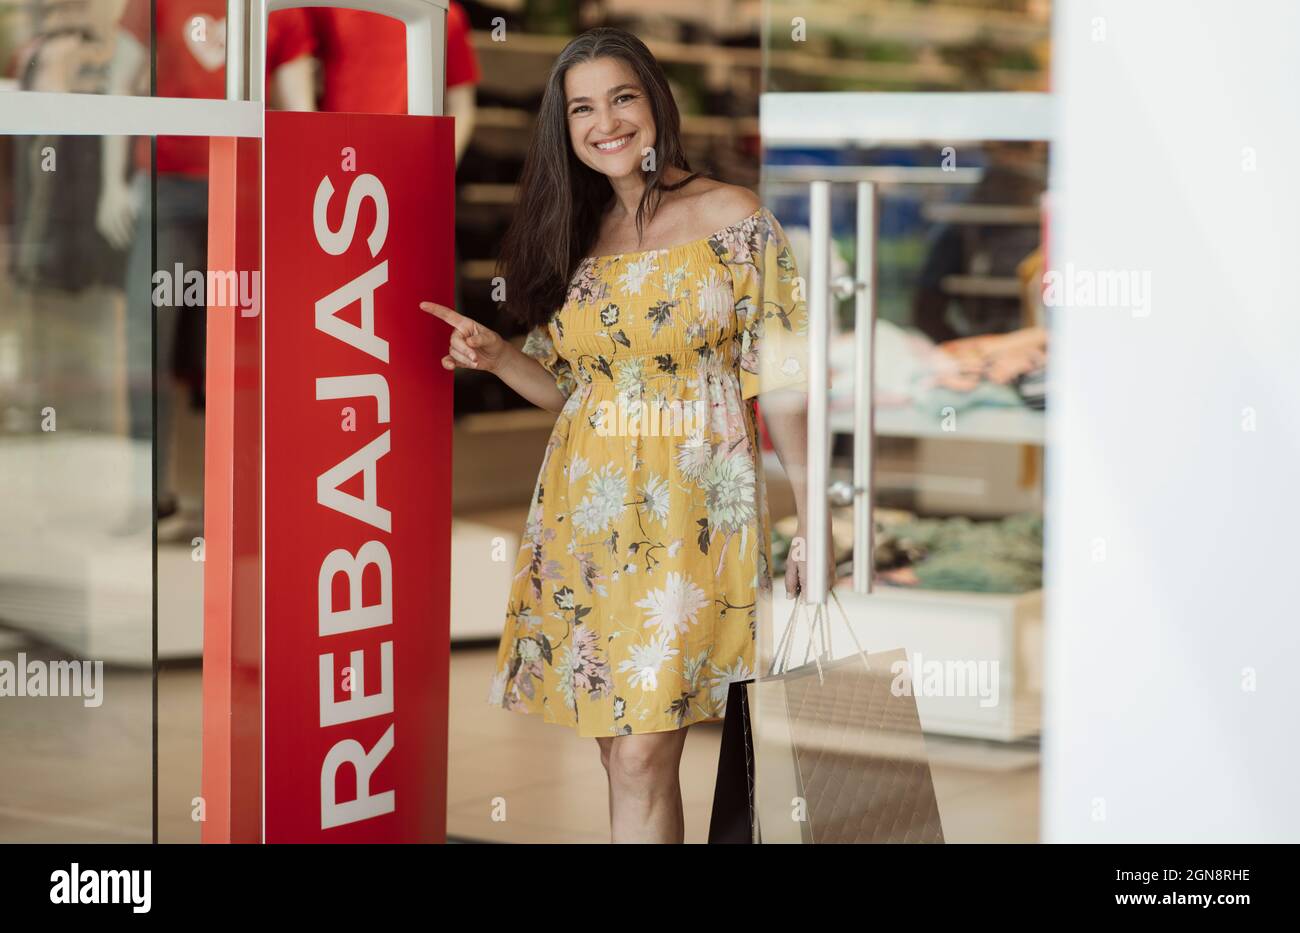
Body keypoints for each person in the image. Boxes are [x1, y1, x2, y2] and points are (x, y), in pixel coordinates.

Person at [421, 27, 831, 844]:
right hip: (584, 520)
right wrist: (500, 356)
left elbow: (783, 380)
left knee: (643, 753)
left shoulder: (733, 219)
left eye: (621, 98)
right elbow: (571, 390)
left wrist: (815, 516)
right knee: (622, 759)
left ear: (654, 104)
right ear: (563, 128)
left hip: (692, 522)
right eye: (581, 108)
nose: (605, 122)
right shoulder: (574, 234)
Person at [98, 0, 315, 535]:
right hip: (166, 188)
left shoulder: (280, 10)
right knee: (149, 345)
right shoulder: (157, 2)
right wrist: (111, 183)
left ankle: (246, 497)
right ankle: (149, 494)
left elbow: (300, 111)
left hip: (248, 193)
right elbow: (118, 83)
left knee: (244, 350)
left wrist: (302, 196)